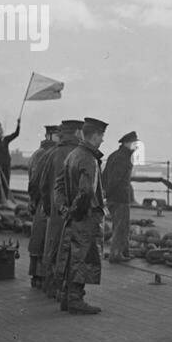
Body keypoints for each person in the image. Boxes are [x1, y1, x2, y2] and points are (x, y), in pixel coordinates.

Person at [59, 117, 107, 315]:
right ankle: (75, 299)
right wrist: (77, 211)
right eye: (102, 136)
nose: (103, 140)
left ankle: (66, 296)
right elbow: (87, 191)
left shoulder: (72, 155)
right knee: (82, 257)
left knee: (72, 255)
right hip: (86, 216)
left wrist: (65, 209)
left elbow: (59, 186)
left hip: (75, 215)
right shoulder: (89, 159)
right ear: (94, 136)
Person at [40, 119, 85, 298]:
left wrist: (49, 207)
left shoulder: (52, 153)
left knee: (52, 247)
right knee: (70, 252)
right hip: (73, 213)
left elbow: (43, 185)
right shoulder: (80, 154)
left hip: (55, 212)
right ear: (76, 133)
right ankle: (66, 291)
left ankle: (50, 287)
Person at [25, 124, 60, 288]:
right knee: (42, 239)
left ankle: (38, 275)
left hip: (39, 200)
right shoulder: (46, 154)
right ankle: (40, 276)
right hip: (43, 201)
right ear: (50, 136)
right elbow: (36, 182)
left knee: (39, 238)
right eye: (58, 135)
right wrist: (37, 200)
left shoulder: (39, 153)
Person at [102, 130, 138, 262]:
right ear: (127, 143)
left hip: (115, 197)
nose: (136, 146)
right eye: (134, 143)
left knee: (123, 225)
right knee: (120, 227)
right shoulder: (123, 158)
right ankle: (116, 255)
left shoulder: (114, 156)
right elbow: (115, 179)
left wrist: (105, 193)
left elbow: (104, 175)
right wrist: (110, 193)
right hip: (120, 198)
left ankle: (124, 252)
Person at [0, 119, 22, 203]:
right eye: (0, 129)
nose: (2, 130)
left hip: (6, 165)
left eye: (1, 129)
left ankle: (5, 200)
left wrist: (18, 125)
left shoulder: (5, 139)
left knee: (6, 182)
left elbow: (16, 134)